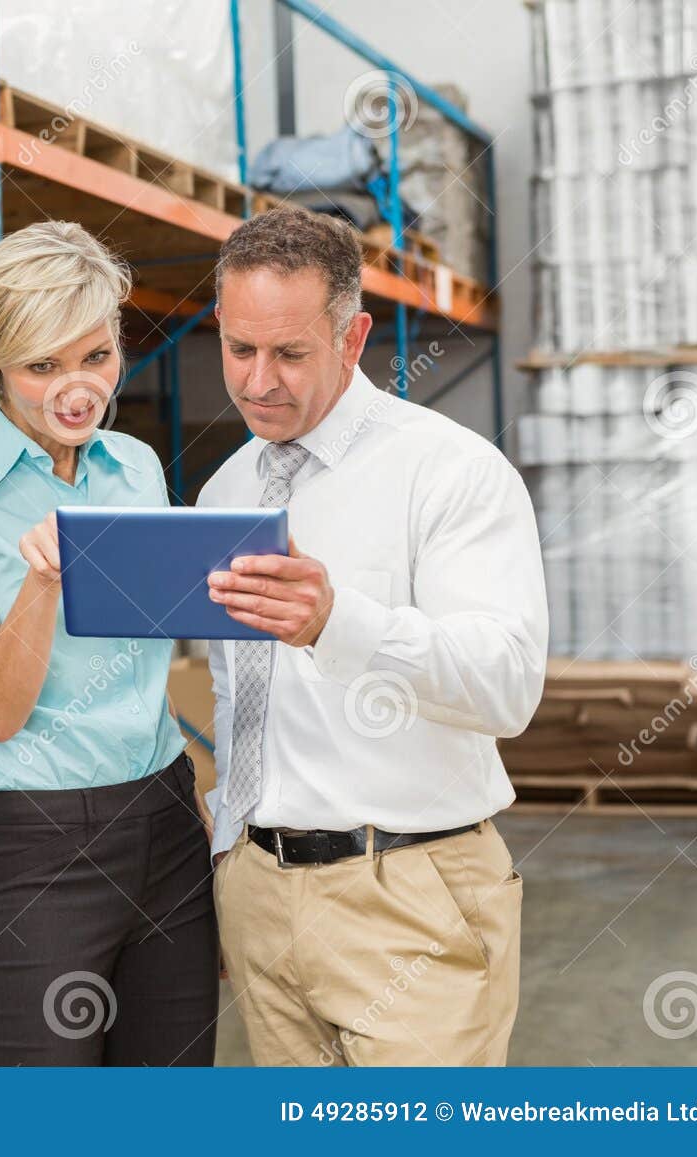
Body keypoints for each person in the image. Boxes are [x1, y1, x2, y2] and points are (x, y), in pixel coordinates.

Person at [199, 204, 547, 1066]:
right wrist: (226, 866)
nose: (258, 381)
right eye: (240, 349)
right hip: (256, 893)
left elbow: (507, 686)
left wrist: (337, 623)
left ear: (353, 339)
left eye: (290, 353)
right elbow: (239, 705)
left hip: (409, 896)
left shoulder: (449, 472)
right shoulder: (222, 491)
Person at [0, 220, 217, 1066]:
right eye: (43, 367)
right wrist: (43, 585)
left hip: (166, 819)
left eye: (97, 357)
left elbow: (143, 659)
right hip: (34, 843)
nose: (77, 390)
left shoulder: (134, 466)